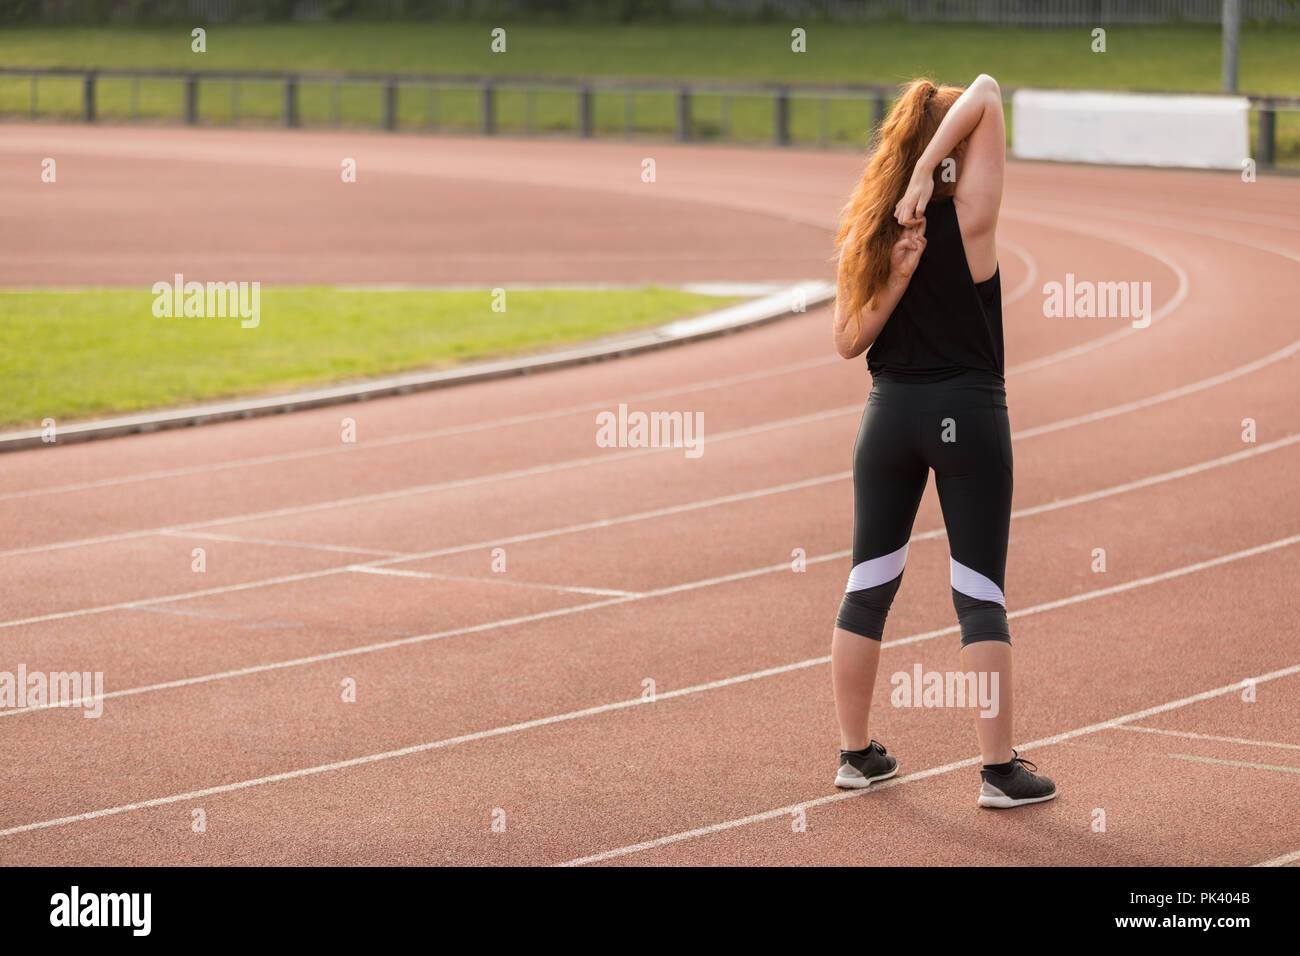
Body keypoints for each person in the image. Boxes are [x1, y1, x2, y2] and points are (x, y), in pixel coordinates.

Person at [828, 74, 1056, 808]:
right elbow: (989, 89)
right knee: (979, 594)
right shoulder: (969, 220)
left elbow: (847, 342)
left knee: (867, 588)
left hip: (887, 416)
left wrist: (895, 274)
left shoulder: (877, 230)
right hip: (968, 412)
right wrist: (933, 171)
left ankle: (856, 756)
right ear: (954, 148)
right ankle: (997, 772)